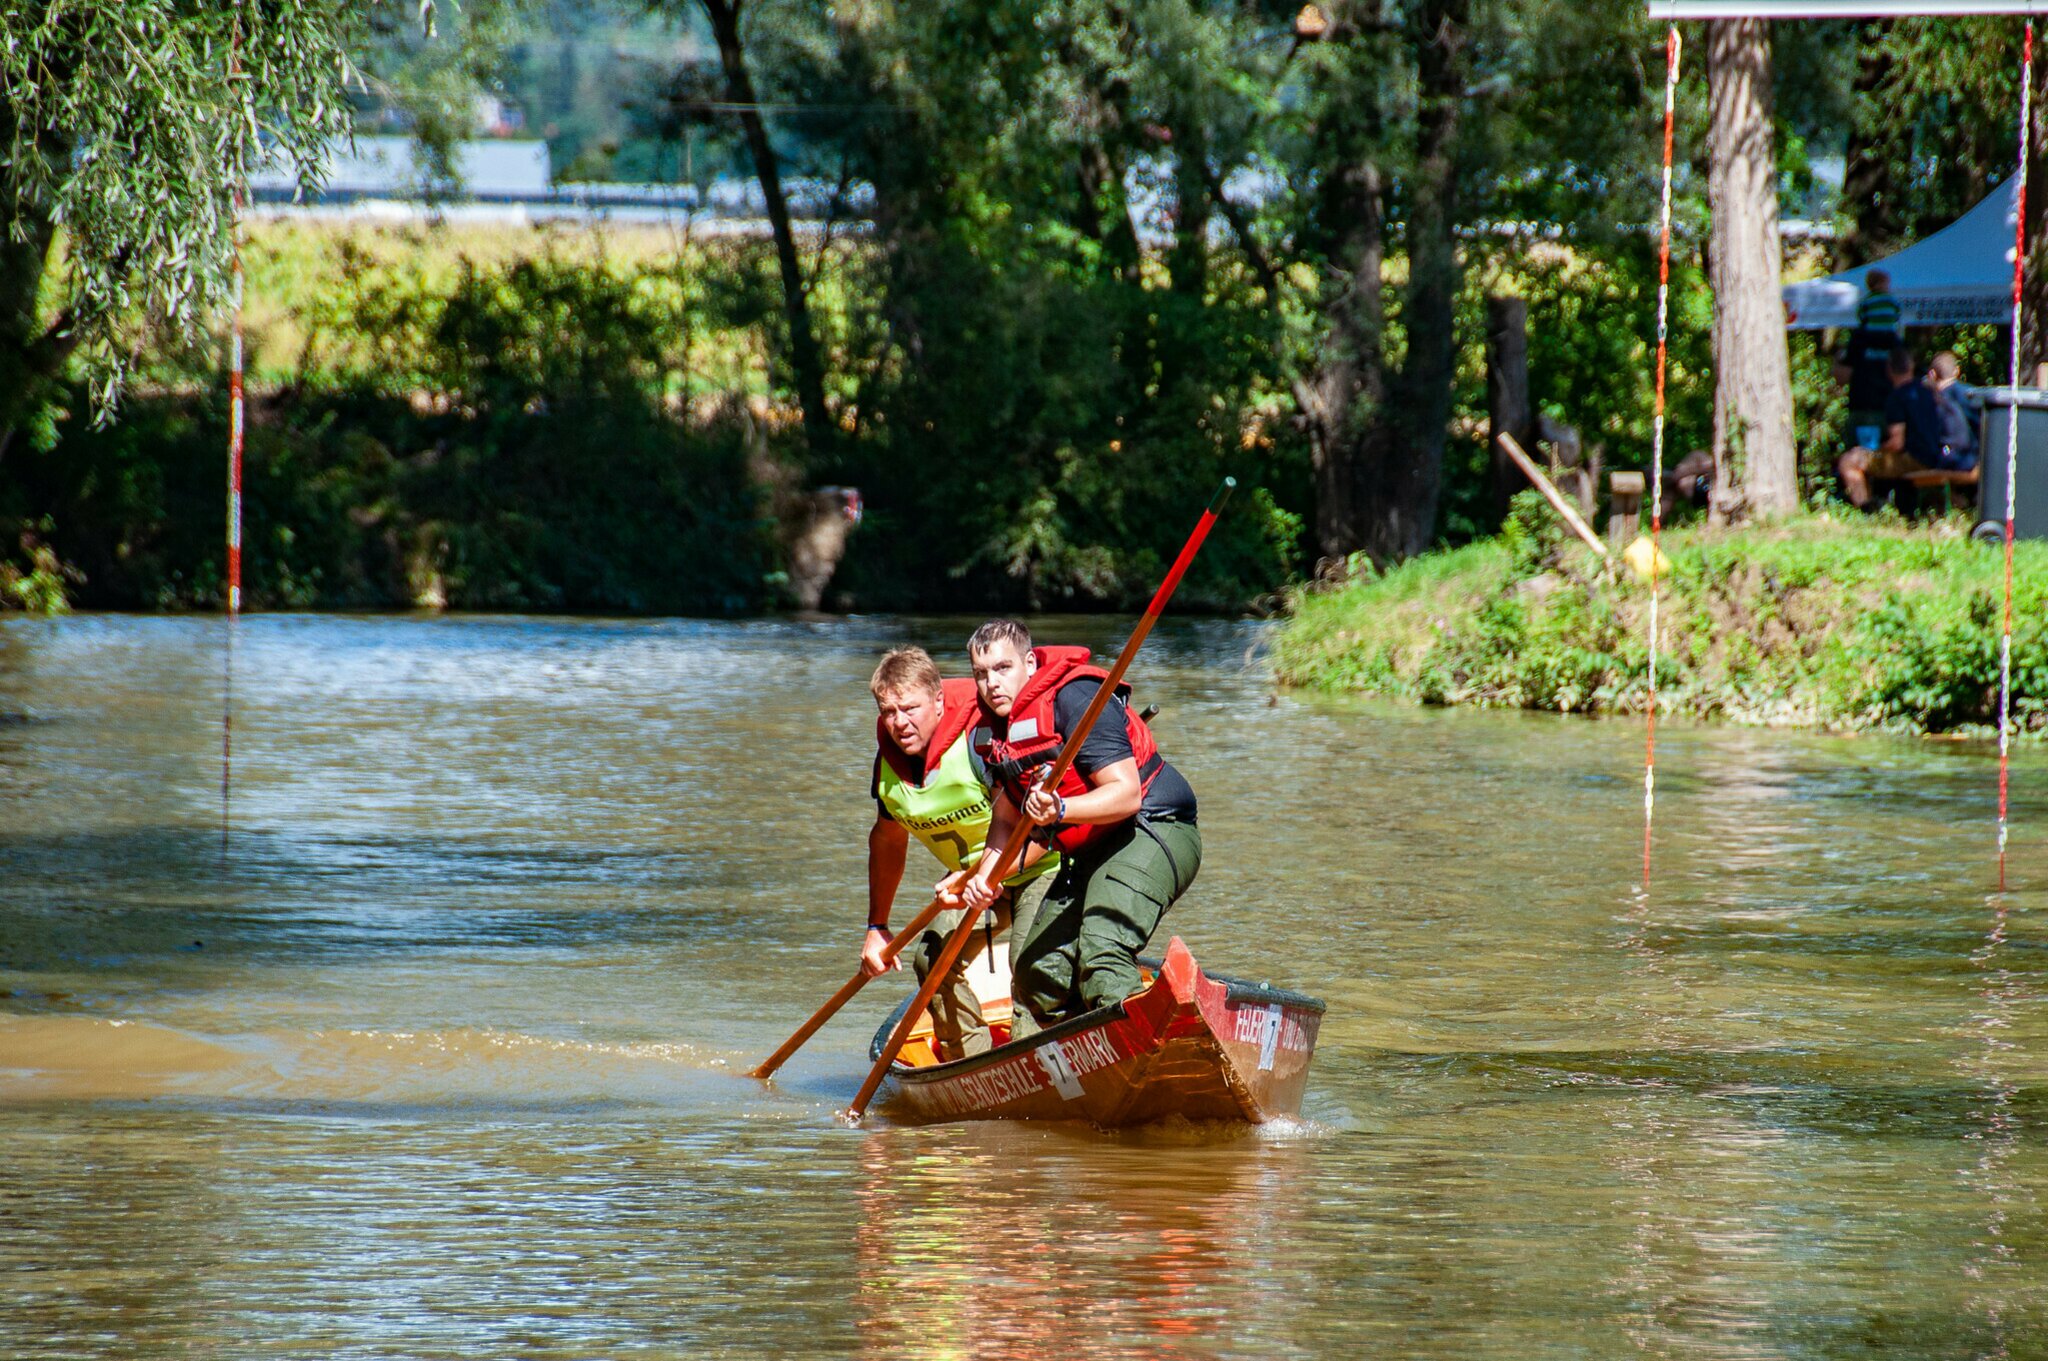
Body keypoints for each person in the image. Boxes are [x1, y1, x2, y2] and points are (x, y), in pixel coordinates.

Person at [954, 620, 1202, 1035]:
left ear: (1030, 662)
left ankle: (1146, 1052)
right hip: (1087, 851)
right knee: (1036, 976)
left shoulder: (1076, 698)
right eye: (981, 674)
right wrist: (985, 877)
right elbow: (1006, 819)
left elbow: (1126, 795)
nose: (991, 683)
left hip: (1153, 828)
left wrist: (1061, 808)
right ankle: (1088, 1052)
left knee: (1102, 951)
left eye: (1002, 668)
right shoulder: (988, 732)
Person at [863, 647, 1057, 1060]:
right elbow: (887, 841)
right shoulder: (888, 769)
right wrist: (877, 925)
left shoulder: (981, 744)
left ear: (937, 701)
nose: (899, 723)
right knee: (932, 960)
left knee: (1028, 967)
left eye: (910, 708)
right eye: (888, 711)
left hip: (1045, 864)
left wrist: (980, 875)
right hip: (977, 886)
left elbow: (1043, 826)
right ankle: (970, 1065)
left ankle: (1032, 1055)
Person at [1837, 345, 1976, 509]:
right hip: (1945, 457)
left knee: (1850, 460)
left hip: (1919, 459)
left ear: (1889, 370)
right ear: (1911, 367)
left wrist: (1875, 449)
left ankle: (1866, 508)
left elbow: (1897, 443)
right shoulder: (1929, 391)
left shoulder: (1897, 397)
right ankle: (1957, 504)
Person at [1833, 270, 1903, 451]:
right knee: (1879, 466)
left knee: (1859, 461)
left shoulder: (1859, 338)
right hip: (1887, 410)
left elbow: (1842, 376)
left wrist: (1838, 359)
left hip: (1863, 407)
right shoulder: (1894, 340)